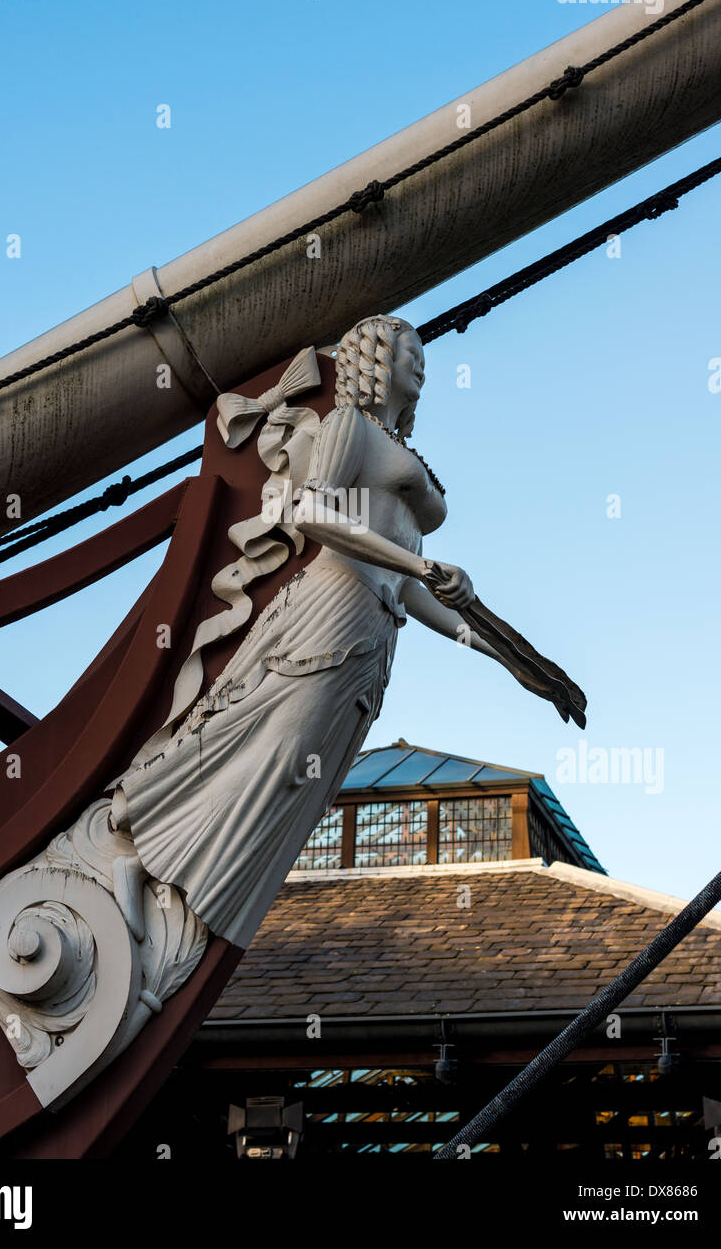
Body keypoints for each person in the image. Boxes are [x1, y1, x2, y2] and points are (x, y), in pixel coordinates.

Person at [107, 314, 518, 950]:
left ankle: (189, 870)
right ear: (378, 356)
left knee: (304, 774)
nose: (422, 362)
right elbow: (314, 510)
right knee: (272, 741)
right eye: (411, 350)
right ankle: (139, 845)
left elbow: (409, 590)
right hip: (332, 607)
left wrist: (508, 660)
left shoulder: (398, 446)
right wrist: (419, 563)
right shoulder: (350, 425)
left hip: (378, 627)